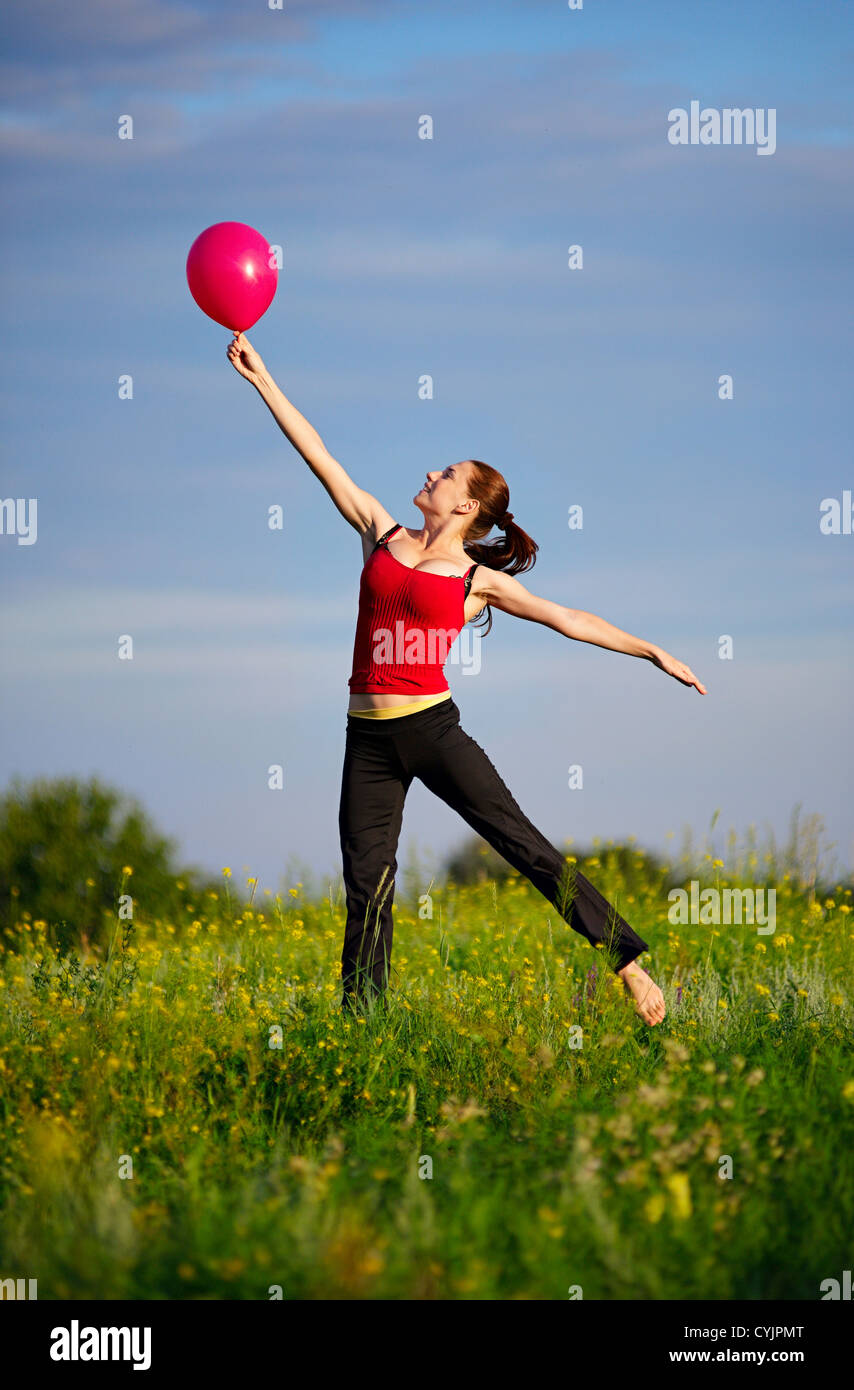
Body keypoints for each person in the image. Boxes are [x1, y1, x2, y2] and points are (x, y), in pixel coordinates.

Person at [227, 331, 706, 1026]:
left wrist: (651, 650)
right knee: (367, 886)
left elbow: (568, 617)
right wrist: (263, 380)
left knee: (522, 842)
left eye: (445, 474)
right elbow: (319, 457)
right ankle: (363, 1027)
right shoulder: (381, 535)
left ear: (465, 506)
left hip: (432, 730)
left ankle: (627, 961)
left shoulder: (479, 580)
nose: (430, 474)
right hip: (366, 740)